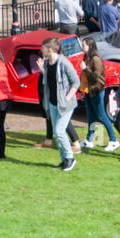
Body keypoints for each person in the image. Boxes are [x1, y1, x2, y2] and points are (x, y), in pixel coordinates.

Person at [38, 36, 80, 171]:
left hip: (66, 104)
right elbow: (50, 79)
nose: (41, 50)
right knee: (58, 134)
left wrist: (68, 97)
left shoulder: (64, 62)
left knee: (59, 131)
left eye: (43, 48)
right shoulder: (46, 63)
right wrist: (42, 70)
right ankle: (63, 161)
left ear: (49, 50)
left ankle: (70, 158)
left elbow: (76, 82)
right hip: (52, 103)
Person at [77, 37, 117, 152]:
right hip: (88, 91)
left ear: (90, 46)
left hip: (97, 91)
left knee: (101, 116)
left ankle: (113, 140)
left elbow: (97, 77)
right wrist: (82, 90)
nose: (82, 47)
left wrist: (85, 69)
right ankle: (89, 140)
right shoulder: (87, 57)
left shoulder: (96, 59)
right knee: (91, 117)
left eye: (84, 45)